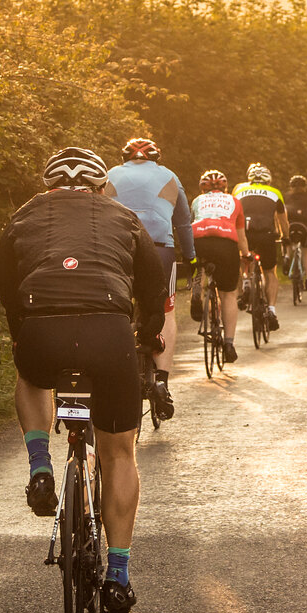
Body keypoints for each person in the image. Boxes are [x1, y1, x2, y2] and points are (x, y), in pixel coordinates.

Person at [0, 146, 165, 613]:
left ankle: (40, 466)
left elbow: (6, 283)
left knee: (31, 378)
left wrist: (20, 328)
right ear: (100, 185)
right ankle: (118, 575)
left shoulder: (24, 214)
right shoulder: (124, 216)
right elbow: (153, 283)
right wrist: (147, 331)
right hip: (108, 333)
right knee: (119, 452)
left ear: (48, 184)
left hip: (42, 330)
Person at [106, 137, 190, 417]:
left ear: (125, 158)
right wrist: (191, 257)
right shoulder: (169, 176)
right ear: (156, 158)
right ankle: (162, 381)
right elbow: (183, 223)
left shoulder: (110, 174)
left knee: (114, 303)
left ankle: (111, 365)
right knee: (166, 311)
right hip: (159, 249)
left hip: (118, 247)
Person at [188, 169, 251, 361]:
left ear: (203, 188)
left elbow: (189, 224)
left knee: (201, 264)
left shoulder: (197, 201)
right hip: (225, 242)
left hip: (199, 239)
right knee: (228, 294)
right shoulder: (235, 201)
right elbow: (241, 237)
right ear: (225, 187)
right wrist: (246, 255)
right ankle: (229, 344)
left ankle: (197, 286)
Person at [232, 164, 286, 328]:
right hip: (266, 235)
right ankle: (271, 310)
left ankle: (246, 282)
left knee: (245, 257)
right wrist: (286, 237)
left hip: (245, 233)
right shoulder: (275, 193)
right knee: (270, 272)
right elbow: (283, 221)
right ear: (268, 180)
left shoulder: (239, 190)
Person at [283, 175, 307, 290]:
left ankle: (287, 256)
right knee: (306, 251)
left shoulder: (286, 197)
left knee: (287, 240)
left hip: (290, 225)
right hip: (305, 227)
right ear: (305, 186)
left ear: (291, 186)